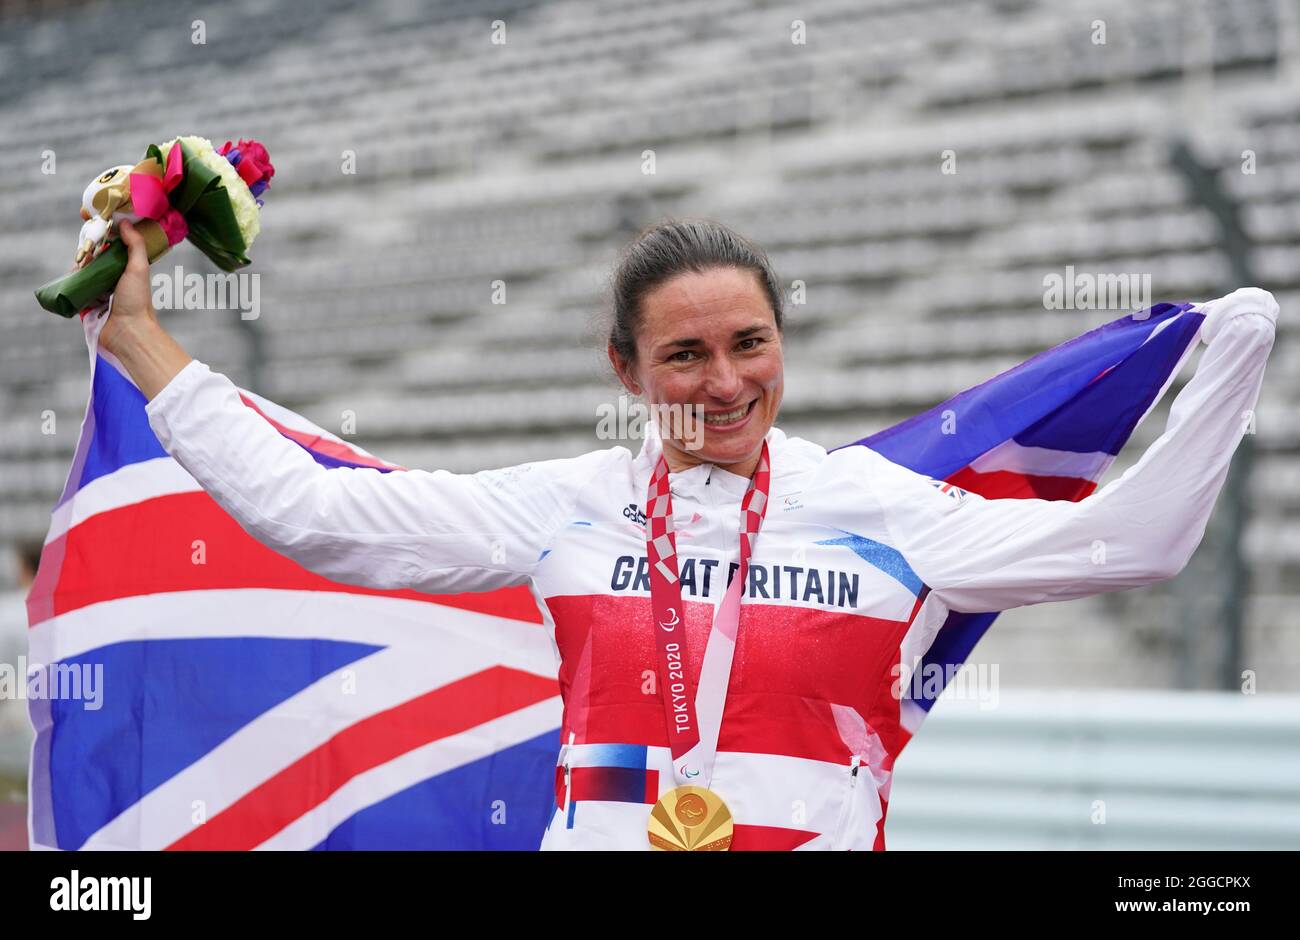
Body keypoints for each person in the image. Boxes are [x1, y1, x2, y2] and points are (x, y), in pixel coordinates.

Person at [100, 216, 1278, 850]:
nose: (725, 381)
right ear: (624, 366)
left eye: (749, 342)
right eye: (683, 354)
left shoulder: (876, 505)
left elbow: (1136, 544)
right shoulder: (566, 500)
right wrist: (143, 342)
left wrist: (1232, 353)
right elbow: (321, 516)